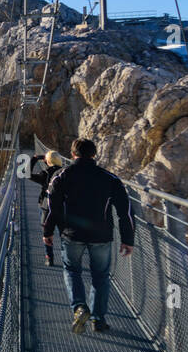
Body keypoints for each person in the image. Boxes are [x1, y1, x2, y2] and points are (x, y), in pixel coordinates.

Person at [43, 138, 135, 333]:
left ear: (73, 154)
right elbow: (125, 211)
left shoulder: (61, 176)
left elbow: (53, 209)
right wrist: (128, 239)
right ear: (94, 154)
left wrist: (48, 232)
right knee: (100, 277)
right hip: (101, 236)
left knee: (72, 270)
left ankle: (79, 307)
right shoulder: (111, 179)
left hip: (71, 235)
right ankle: (98, 320)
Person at [28, 150, 65, 266]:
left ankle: (49, 258)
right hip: (63, 208)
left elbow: (25, 174)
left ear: (47, 161)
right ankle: (66, 259)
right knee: (64, 235)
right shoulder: (65, 172)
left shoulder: (46, 173)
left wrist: (35, 158)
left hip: (46, 207)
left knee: (47, 234)